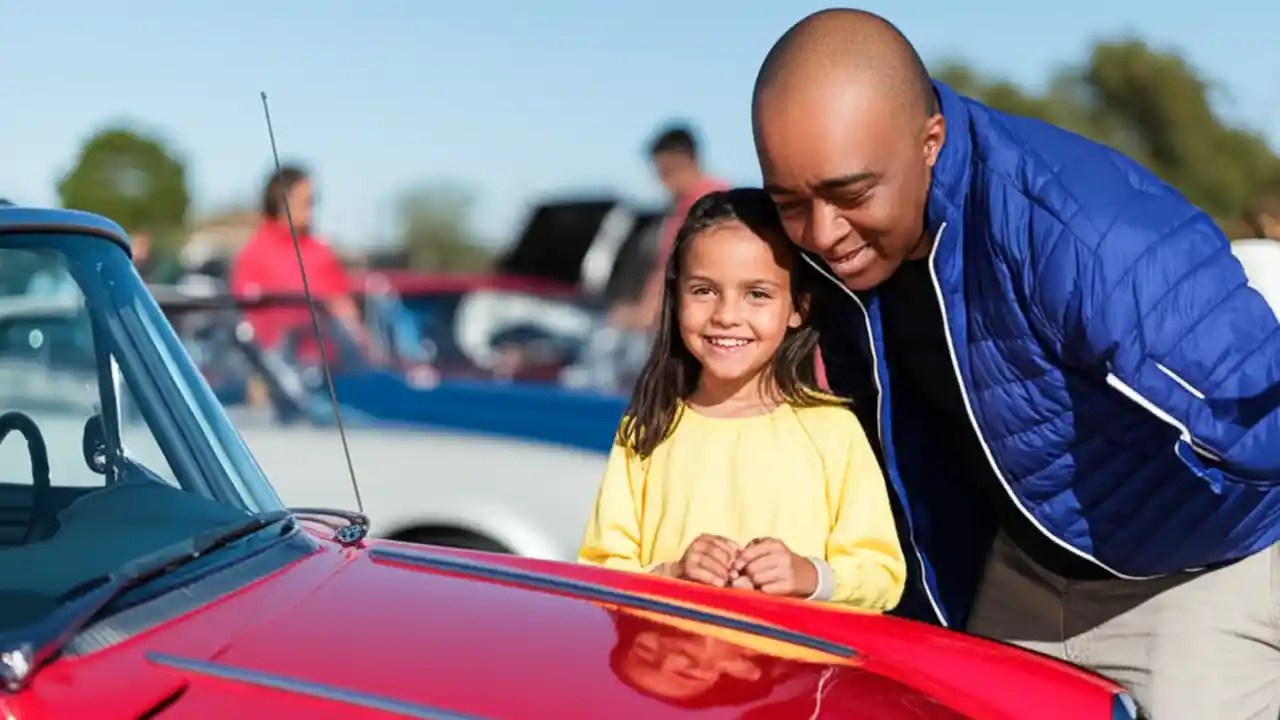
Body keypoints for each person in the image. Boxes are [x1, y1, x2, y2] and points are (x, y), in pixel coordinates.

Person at [750, 8, 1280, 718]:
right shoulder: (836, 257)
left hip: (1193, 581)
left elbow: (1259, 411)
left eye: (851, 195)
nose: (822, 232)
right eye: (792, 202)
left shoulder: (1083, 232)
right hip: (1017, 582)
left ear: (929, 140)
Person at [577, 188, 906, 614]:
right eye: (704, 290)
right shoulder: (646, 430)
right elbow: (601, 576)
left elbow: (882, 576)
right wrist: (672, 575)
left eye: (757, 294)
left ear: (798, 307)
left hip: (797, 679)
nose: (727, 314)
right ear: (676, 299)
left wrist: (808, 575)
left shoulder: (834, 431)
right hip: (669, 677)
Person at [228, 165, 373, 354]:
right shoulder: (253, 255)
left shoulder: (322, 252)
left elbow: (344, 310)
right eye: (306, 202)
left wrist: (365, 348)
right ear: (282, 202)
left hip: (329, 370)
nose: (311, 211)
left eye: (313, 202)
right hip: (273, 370)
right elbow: (247, 321)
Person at [609, 124, 729, 333]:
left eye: (666, 172)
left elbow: (678, 270)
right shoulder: (681, 207)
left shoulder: (713, 207)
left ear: (686, 161)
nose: (663, 182)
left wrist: (644, 314)